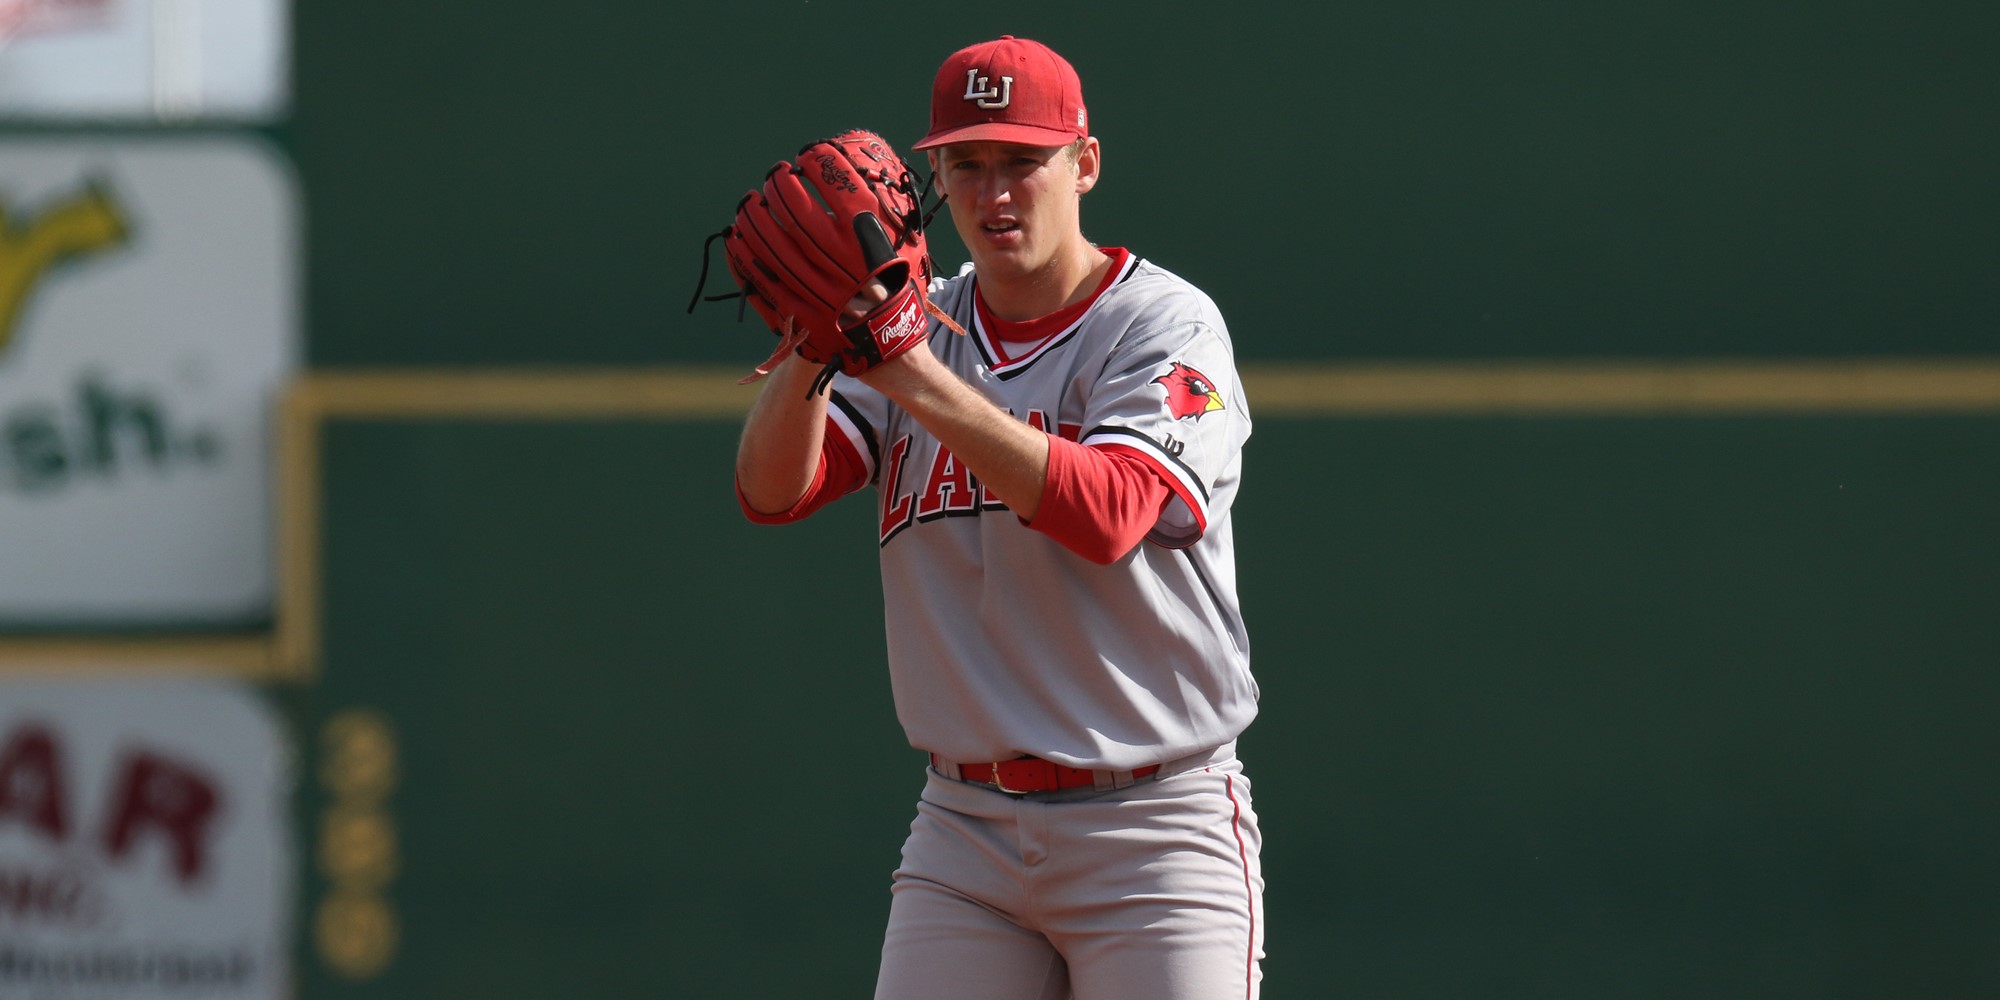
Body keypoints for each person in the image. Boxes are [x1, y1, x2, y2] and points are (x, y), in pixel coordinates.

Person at [734, 35, 1264, 1000]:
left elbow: (1110, 512)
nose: (995, 193)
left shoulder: (1163, 325)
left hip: (1155, 829)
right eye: (967, 164)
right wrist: (812, 344)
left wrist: (907, 369)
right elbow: (776, 493)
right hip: (964, 833)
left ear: (1085, 163)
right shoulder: (916, 323)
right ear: (932, 172)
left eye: (1024, 161)